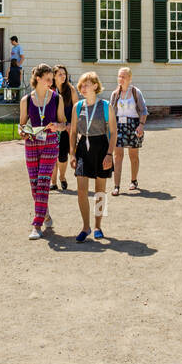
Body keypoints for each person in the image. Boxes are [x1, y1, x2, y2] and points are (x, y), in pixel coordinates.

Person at [19, 63, 66, 239]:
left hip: (50, 142)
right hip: (32, 143)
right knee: (34, 184)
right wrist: (22, 132)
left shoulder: (57, 98)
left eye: (51, 80)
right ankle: (45, 213)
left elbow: (64, 123)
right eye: (47, 79)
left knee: (44, 181)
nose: (50, 83)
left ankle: (37, 225)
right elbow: (22, 124)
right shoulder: (26, 100)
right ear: (38, 79)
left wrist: (57, 126)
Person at [69, 72, 117, 242]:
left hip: (102, 148)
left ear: (95, 86)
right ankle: (85, 227)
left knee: (100, 191)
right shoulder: (77, 107)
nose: (82, 88)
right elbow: (73, 131)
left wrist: (110, 154)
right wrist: (72, 153)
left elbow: (113, 132)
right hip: (83, 148)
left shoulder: (106, 106)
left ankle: (98, 226)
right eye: (81, 85)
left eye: (86, 85)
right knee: (81, 190)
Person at [110, 67, 147, 194]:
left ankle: (133, 180)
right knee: (118, 155)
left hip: (134, 125)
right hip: (119, 125)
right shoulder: (115, 94)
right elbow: (111, 113)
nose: (121, 79)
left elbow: (143, 111)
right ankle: (116, 186)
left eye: (124, 77)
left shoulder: (136, 92)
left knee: (133, 156)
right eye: (119, 76)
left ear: (130, 78)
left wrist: (141, 125)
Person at [50, 65, 76, 192]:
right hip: (53, 127)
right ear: (54, 76)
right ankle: (53, 182)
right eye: (59, 74)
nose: (63, 76)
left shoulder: (70, 90)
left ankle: (62, 177)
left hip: (66, 127)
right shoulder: (50, 90)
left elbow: (77, 109)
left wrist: (72, 124)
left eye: (64, 73)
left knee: (62, 155)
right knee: (52, 156)